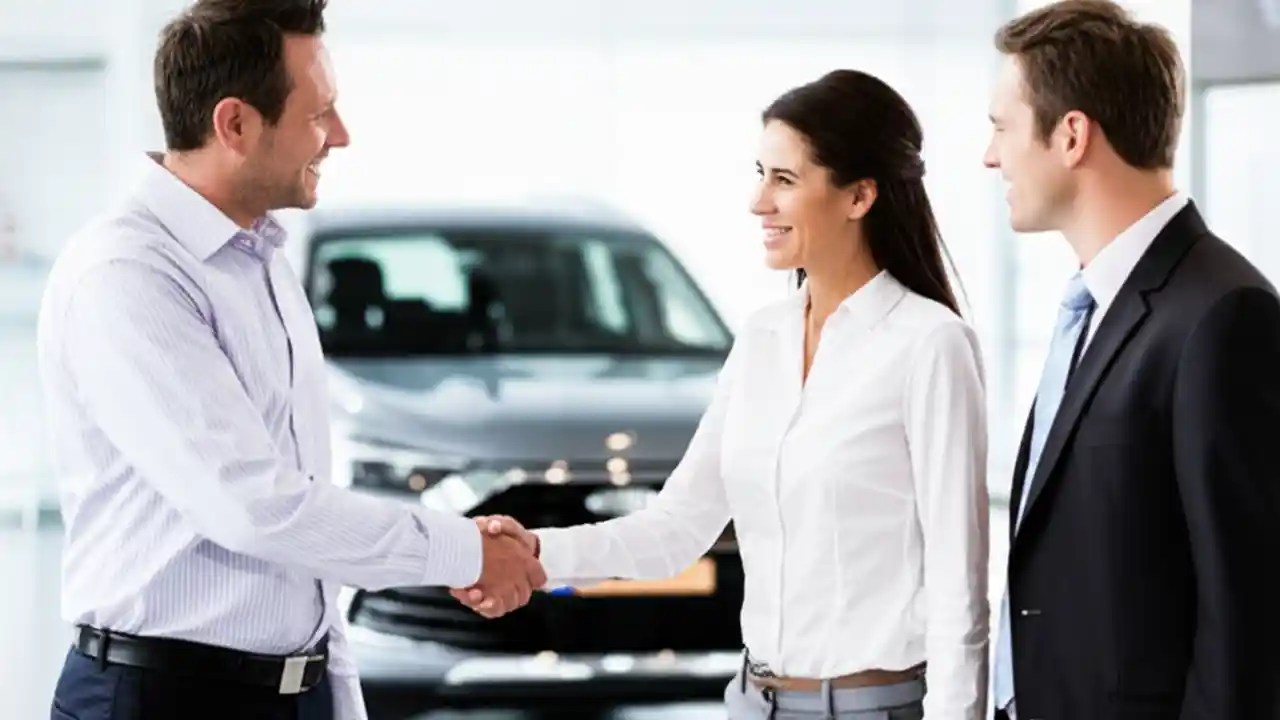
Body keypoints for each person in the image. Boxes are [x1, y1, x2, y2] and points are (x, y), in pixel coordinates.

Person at [36, 2, 543, 719]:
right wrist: (462, 551)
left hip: (286, 691)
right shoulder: (127, 274)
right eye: (320, 114)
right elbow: (254, 506)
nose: (340, 136)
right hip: (163, 698)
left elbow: (299, 516)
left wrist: (333, 692)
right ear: (235, 124)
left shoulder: (261, 259)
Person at [457, 69, 992, 719]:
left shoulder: (931, 344)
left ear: (859, 196)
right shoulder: (763, 338)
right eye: (760, 173)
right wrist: (540, 552)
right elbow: (678, 528)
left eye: (784, 180)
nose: (758, 202)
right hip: (754, 702)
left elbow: (960, 592)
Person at [983, 1, 1280, 718]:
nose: (989, 156)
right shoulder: (1093, 305)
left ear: (1072, 136)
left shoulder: (1223, 314)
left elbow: (1251, 622)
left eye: (1001, 128)